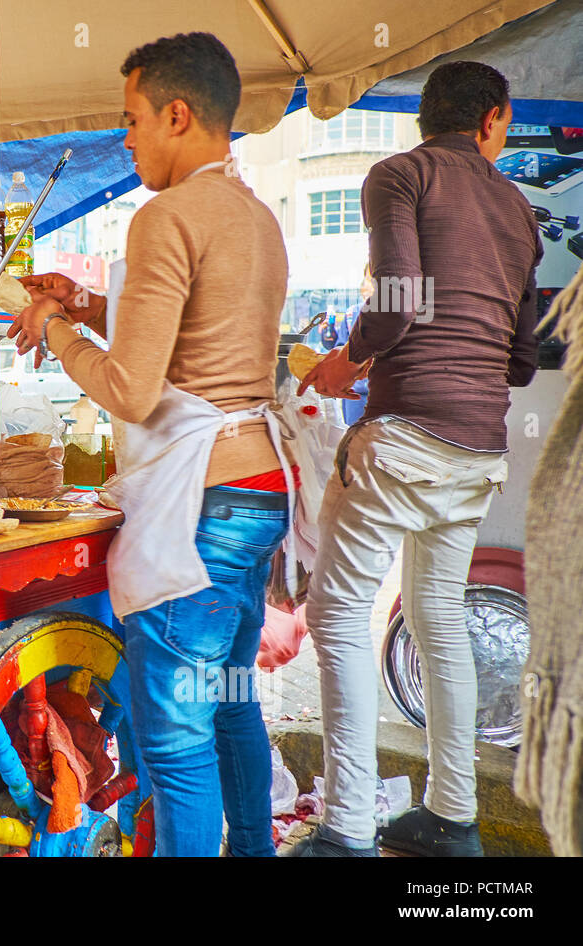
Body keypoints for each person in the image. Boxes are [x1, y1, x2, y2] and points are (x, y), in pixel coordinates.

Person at [10, 32, 291, 857]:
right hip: (260, 489)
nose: (124, 139)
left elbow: (131, 388)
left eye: (132, 120)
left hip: (202, 505)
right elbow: (204, 333)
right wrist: (92, 306)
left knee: (174, 741)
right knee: (232, 703)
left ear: (177, 114)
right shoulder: (255, 217)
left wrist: (52, 326)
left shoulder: (166, 215)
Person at [289, 61, 542, 857]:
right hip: (479, 451)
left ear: (426, 120)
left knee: (336, 615)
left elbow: (396, 298)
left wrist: (346, 363)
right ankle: (451, 818)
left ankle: (346, 827)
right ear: (493, 122)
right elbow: (524, 361)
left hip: (407, 438)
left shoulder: (401, 173)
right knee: (437, 620)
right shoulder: (518, 209)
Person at [318, 264, 374, 425]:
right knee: (356, 438)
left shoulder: (398, 314)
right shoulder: (352, 313)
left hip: (386, 392)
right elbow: (341, 349)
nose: (368, 285)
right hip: (356, 394)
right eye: (368, 280)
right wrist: (327, 338)